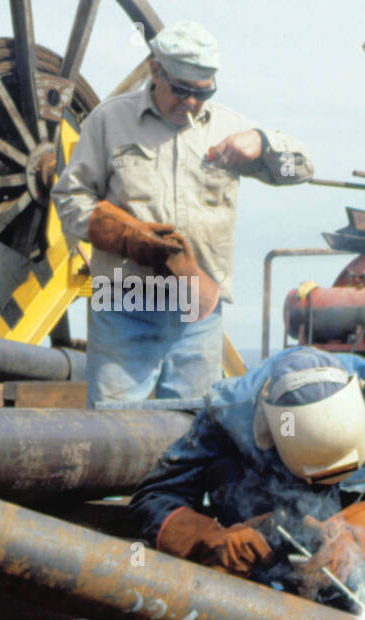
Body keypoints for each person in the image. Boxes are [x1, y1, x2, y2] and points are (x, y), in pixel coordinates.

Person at [51, 21, 314, 407]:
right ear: (155, 70)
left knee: (194, 433)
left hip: (197, 312)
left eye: (203, 92)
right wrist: (128, 238)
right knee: (113, 430)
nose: (192, 102)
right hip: (124, 304)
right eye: (182, 90)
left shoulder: (229, 129)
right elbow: (70, 197)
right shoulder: (109, 122)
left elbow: (303, 169)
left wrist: (262, 144)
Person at [129, 347, 365, 605]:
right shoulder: (228, 415)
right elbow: (154, 498)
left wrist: (358, 534)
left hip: (349, 561)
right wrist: (210, 540)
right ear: (272, 435)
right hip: (263, 553)